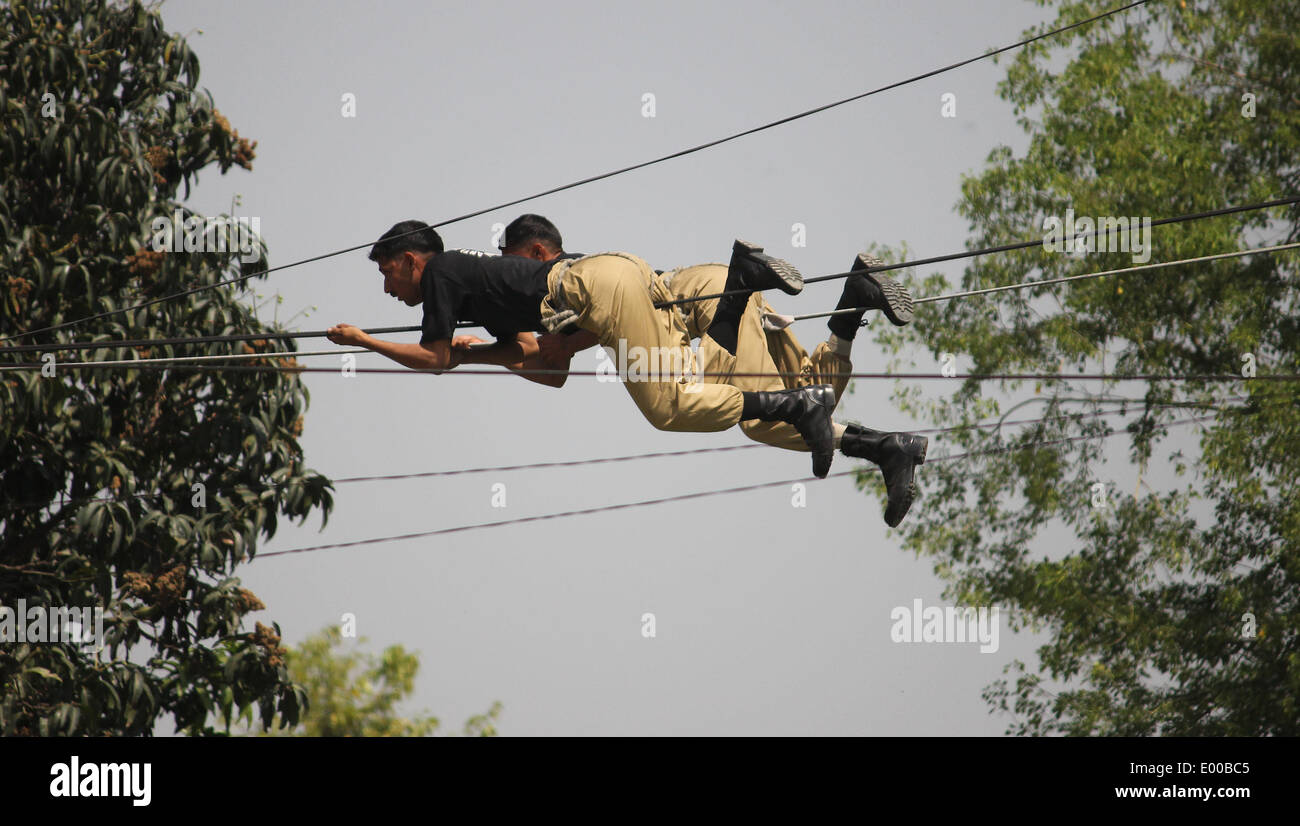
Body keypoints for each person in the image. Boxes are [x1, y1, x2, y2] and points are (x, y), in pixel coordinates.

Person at [492, 214, 928, 527]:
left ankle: (883, 448)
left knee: (761, 417)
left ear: (536, 252)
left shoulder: (569, 284)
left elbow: (553, 364)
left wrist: (471, 353)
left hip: (717, 301)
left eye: (515, 265)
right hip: (717, 286)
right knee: (813, 395)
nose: (517, 281)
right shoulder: (589, 279)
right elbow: (559, 357)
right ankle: (857, 300)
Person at [326, 220, 839, 478]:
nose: (387, 288)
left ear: (411, 260)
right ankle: (825, 330)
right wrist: (475, 352)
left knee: (669, 407)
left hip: (597, 288)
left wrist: (364, 341)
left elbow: (433, 359)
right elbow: (549, 369)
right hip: (615, 280)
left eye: (386, 272)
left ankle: (793, 395)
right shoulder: (468, 286)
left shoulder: (439, 272)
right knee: (694, 390)